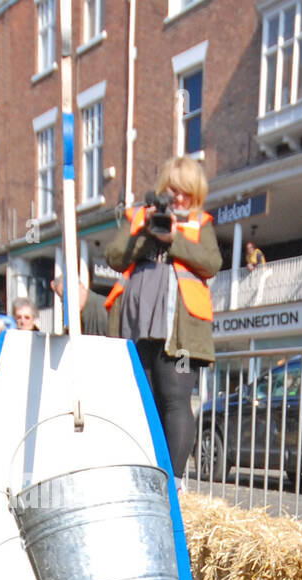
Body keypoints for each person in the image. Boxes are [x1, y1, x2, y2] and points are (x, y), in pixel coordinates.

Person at [105, 156, 221, 478]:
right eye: (174, 190)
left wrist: (175, 241)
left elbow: (211, 263)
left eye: (186, 192)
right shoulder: (138, 216)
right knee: (141, 399)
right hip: (137, 323)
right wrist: (145, 234)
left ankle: (174, 482)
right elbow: (114, 256)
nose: (179, 198)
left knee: (175, 398)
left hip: (182, 329)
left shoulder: (201, 221)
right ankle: (141, 473)